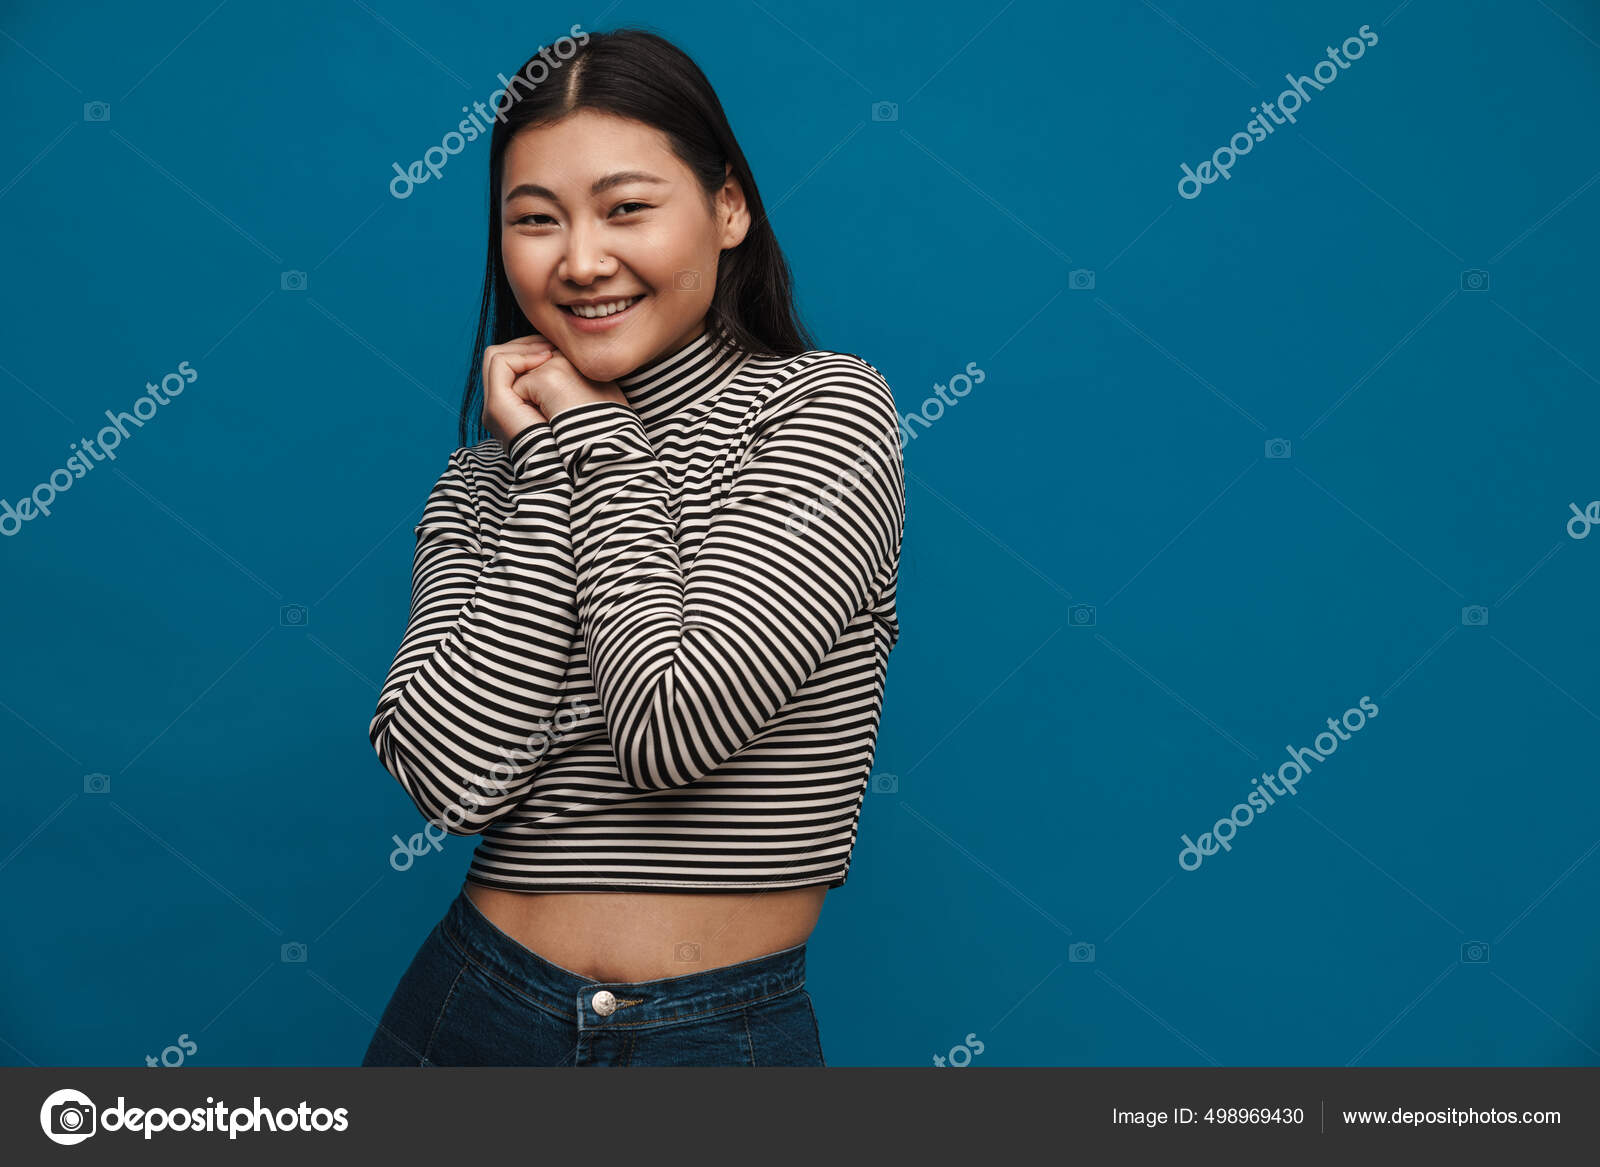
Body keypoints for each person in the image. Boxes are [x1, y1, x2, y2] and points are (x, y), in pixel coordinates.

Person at [361, 27, 905, 1067]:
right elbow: (450, 784)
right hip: (473, 1011)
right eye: (534, 220)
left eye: (625, 208)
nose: (579, 261)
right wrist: (535, 473)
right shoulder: (482, 479)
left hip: (716, 1040)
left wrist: (589, 439)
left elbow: (673, 726)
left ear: (728, 209)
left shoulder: (823, 412)